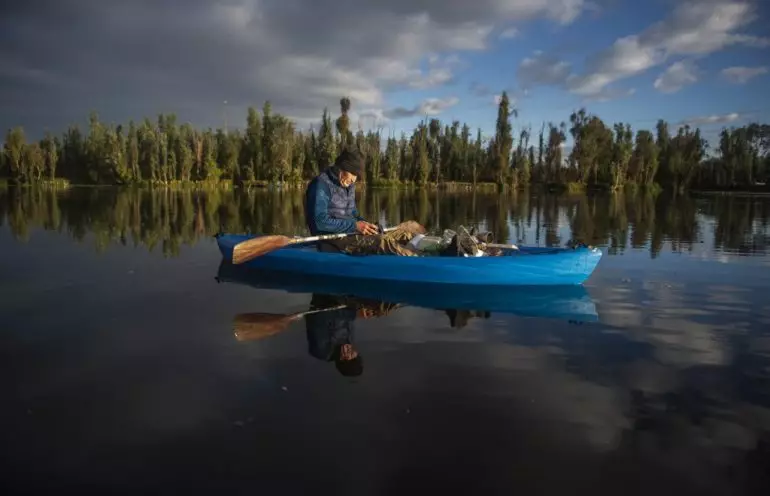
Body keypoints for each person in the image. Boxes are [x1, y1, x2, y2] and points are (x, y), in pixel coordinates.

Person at [304, 149, 419, 256]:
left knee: (405, 235)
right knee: (383, 241)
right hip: (331, 239)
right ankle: (418, 262)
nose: (354, 180)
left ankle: (427, 253)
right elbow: (319, 221)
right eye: (353, 174)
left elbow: (353, 214)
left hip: (350, 232)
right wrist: (354, 226)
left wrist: (367, 225)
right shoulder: (321, 185)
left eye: (356, 176)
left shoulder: (348, 184)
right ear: (342, 168)